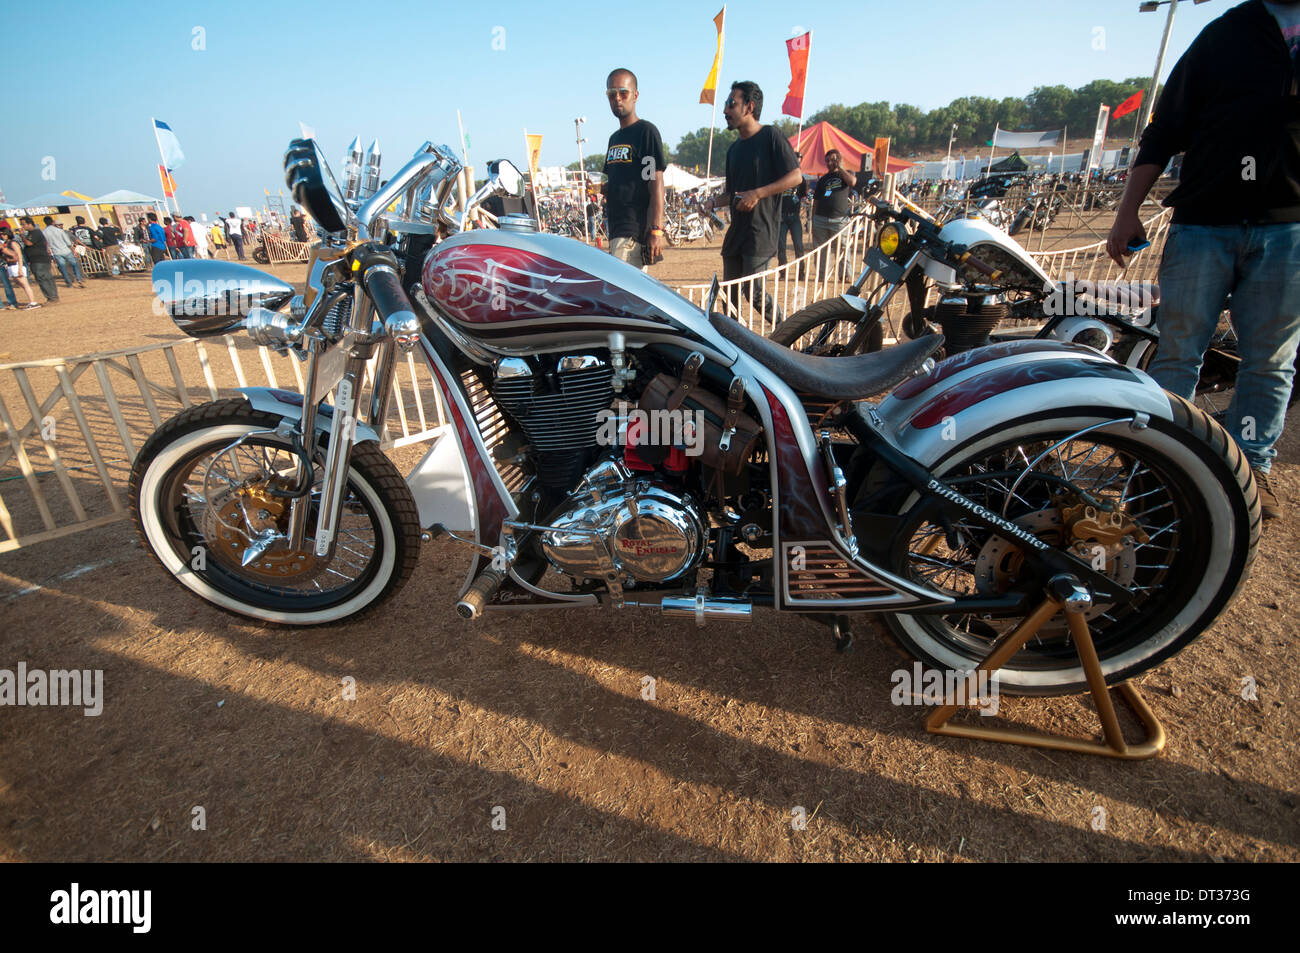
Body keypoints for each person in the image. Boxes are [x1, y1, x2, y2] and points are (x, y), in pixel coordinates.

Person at [1107, 0, 1300, 520]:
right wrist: (1127, 212)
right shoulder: (1224, 34)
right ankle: (1159, 466)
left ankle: (1249, 473)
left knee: (1270, 363)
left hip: (1290, 228)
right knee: (1176, 354)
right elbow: (1165, 129)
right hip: (1203, 222)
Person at [708, 80, 803, 323]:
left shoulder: (770, 136)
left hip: (761, 232)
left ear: (749, 107)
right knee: (728, 296)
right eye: (726, 104)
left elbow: (796, 176)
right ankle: (732, 345)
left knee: (755, 293)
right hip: (736, 233)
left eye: (731, 104)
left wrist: (758, 194)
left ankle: (786, 331)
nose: (725, 111)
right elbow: (733, 193)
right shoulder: (733, 150)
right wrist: (711, 203)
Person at [601, 67, 666, 267]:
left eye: (623, 93)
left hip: (633, 232)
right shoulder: (614, 138)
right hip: (615, 230)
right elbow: (620, 184)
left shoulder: (645, 132)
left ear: (635, 95)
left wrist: (656, 230)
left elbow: (655, 183)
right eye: (612, 94)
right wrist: (599, 188)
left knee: (620, 294)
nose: (617, 98)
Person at [812, 149, 858, 281]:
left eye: (833, 159)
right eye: (827, 160)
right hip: (820, 219)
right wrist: (813, 219)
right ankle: (823, 275)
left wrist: (840, 167)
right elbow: (816, 200)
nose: (829, 163)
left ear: (839, 159)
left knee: (842, 248)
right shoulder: (823, 179)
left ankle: (845, 275)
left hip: (839, 220)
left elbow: (852, 182)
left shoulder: (845, 175)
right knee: (821, 250)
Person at [776, 160, 808, 278]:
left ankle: (801, 272)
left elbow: (803, 195)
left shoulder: (801, 180)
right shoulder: (780, 178)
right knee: (781, 246)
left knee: (799, 245)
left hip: (794, 216)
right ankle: (783, 272)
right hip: (782, 216)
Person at [19, 217, 58, 303]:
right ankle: (52, 297)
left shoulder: (35, 232)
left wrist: (22, 235)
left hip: (39, 260)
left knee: (43, 278)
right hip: (37, 260)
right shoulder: (31, 233)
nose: (22, 226)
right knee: (46, 278)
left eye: (23, 224)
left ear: (30, 224)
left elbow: (29, 243)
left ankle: (51, 297)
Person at [1, 226, 41, 308]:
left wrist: (20, 268)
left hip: (16, 265)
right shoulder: (7, 243)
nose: (2, 236)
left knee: (25, 285)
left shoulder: (13, 243)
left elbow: (19, 255)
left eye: (3, 234)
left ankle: (33, 302)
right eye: (1, 234)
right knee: (23, 285)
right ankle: (32, 302)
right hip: (12, 266)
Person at [43, 216, 85, 289]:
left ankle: (69, 283)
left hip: (56, 252)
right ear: (53, 222)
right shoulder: (59, 231)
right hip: (66, 250)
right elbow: (68, 242)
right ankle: (79, 279)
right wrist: (73, 250)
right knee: (74, 265)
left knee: (63, 268)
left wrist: (48, 250)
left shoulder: (44, 232)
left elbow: (45, 243)